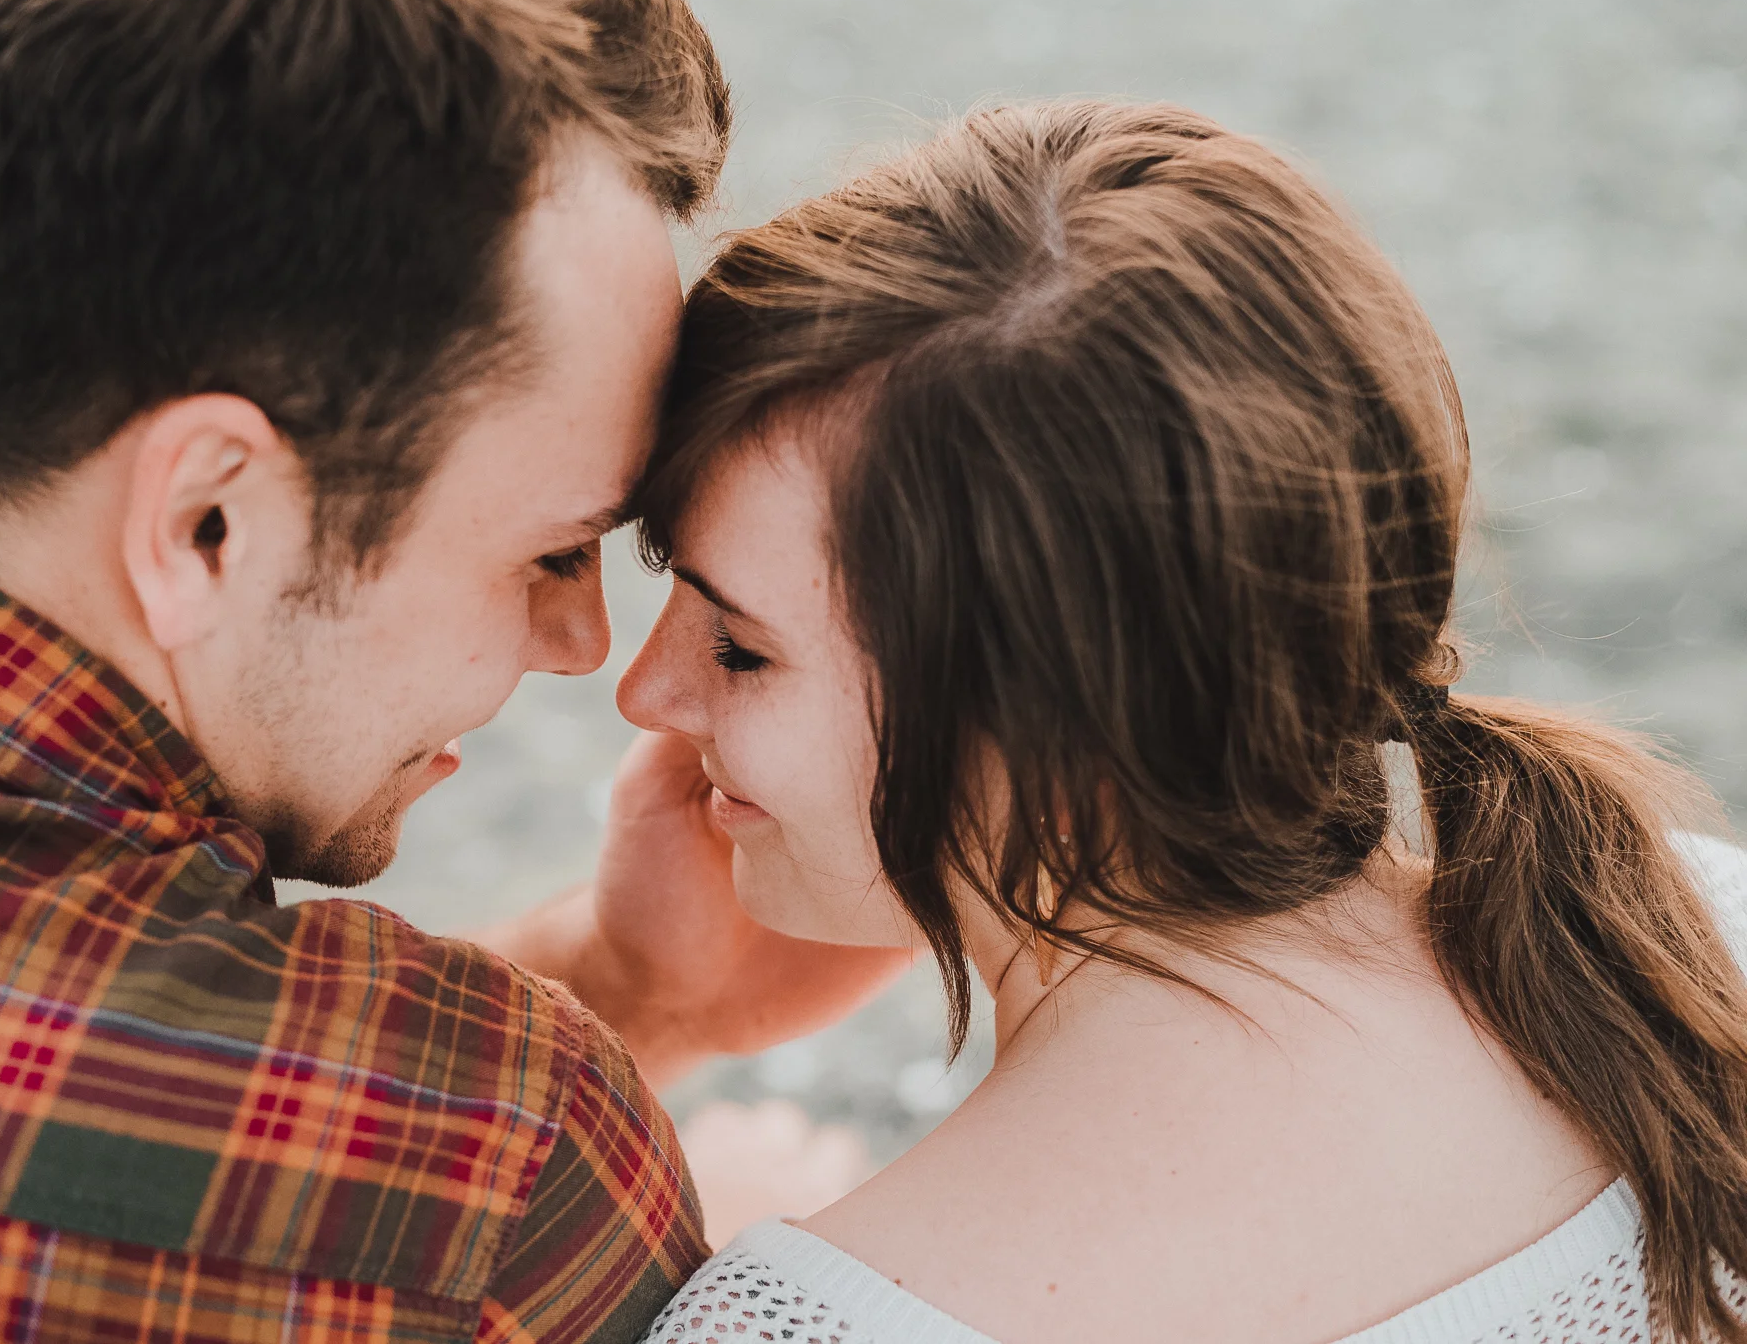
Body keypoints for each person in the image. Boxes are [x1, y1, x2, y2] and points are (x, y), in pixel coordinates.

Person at [0, 0, 912, 1340]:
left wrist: (631, 983)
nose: (588, 652)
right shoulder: (484, 1183)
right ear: (206, 519)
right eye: (553, 550)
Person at [622, 100, 1747, 1344]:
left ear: (1062, 725)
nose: (646, 693)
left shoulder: (800, 1322)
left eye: (740, 646)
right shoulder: (1700, 947)